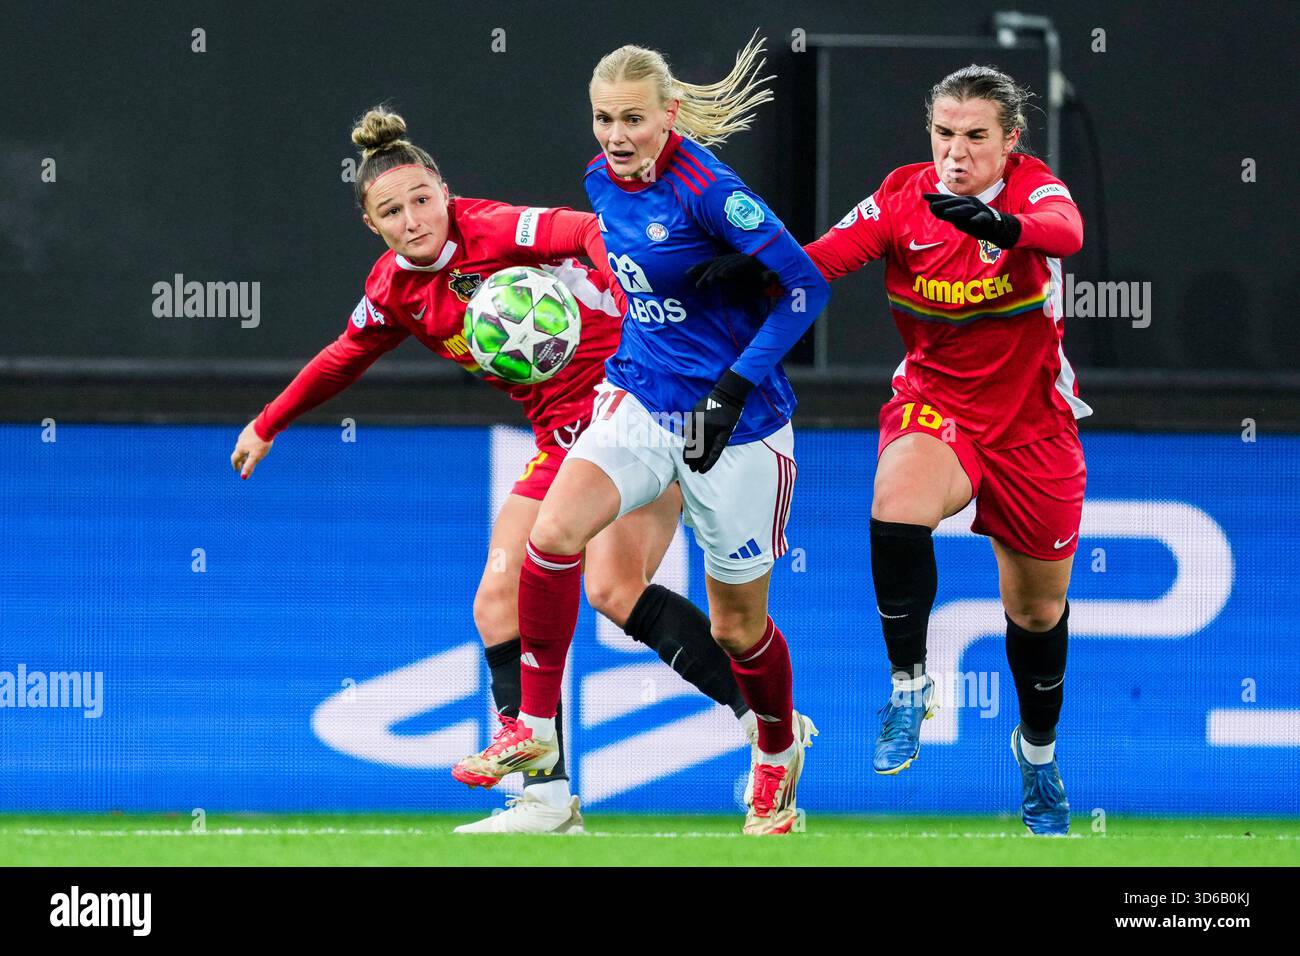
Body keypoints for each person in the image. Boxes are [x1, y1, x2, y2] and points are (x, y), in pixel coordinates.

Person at [229, 106, 758, 834]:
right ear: (373, 225)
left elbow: (587, 230)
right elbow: (343, 355)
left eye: (421, 199)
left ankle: (762, 717)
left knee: (610, 586)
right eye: (392, 211)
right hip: (558, 437)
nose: (413, 219)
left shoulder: (497, 228)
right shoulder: (394, 289)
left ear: (444, 192)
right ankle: (543, 799)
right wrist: (269, 421)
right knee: (499, 602)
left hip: (633, 404)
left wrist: (635, 301)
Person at [692, 64, 1086, 835]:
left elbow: (1066, 232)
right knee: (895, 503)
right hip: (937, 406)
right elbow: (830, 256)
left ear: (1011, 141)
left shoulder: (1036, 191)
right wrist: (757, 268)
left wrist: (1004, 228)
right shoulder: (905, 196)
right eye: (945, 134)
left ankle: (1036, 755)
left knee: (1035, 612)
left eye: (976, 137)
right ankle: (909, 686)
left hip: (1034, 428)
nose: (957, 152)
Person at [450, 36, 830, 836]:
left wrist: (731, 389)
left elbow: (807, 285)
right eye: (602, 118)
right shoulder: (600, 183)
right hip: (640, 397)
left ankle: (772, 752)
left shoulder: (713, 193)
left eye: (632, 119)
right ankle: (534, 731)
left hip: (737, 425)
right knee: (553, 536)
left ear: (669, 115)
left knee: (739, 627)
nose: (615, 136)